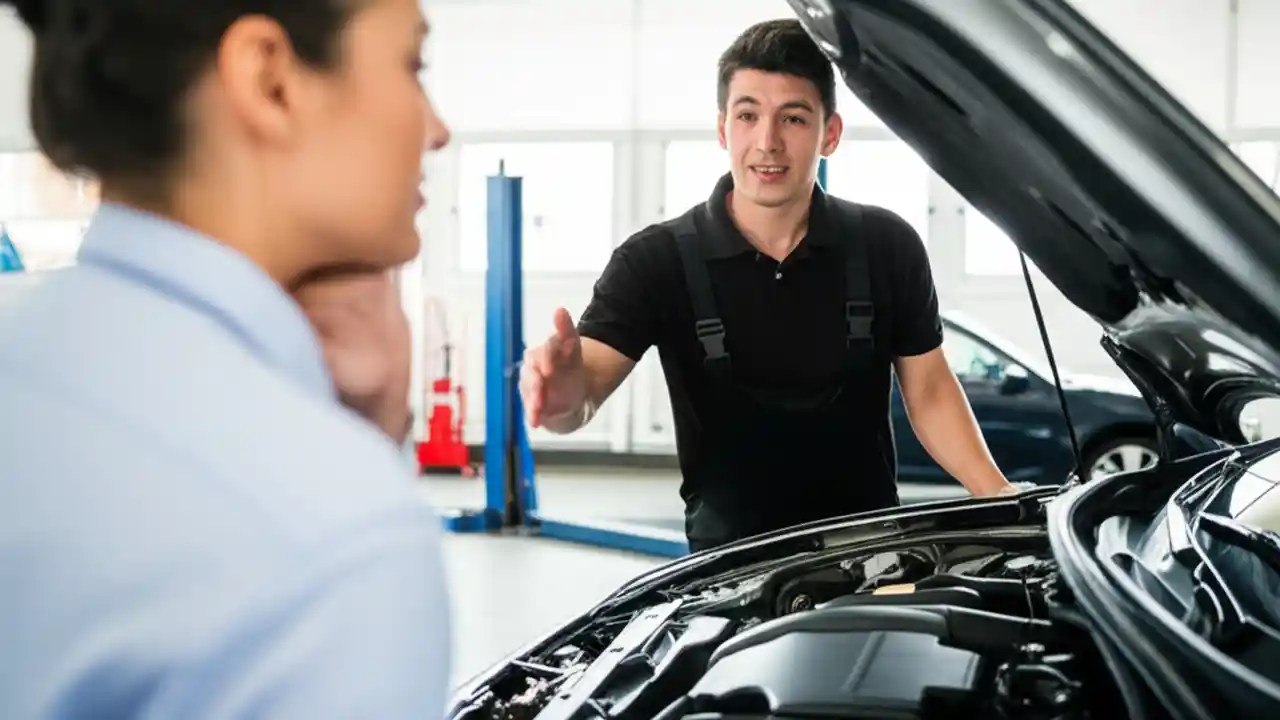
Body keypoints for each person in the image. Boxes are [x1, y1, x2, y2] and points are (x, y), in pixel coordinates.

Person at [0, 0, 454, 717]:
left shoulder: (28, 360)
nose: (438, 129)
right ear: (269, 79)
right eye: (412, 65)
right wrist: (344, 471)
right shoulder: (335, 544)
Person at [520, 19, 1017, 553]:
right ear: (723, 130)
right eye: (748, 115)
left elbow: (931, 392)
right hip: (728, 572)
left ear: (830, 134)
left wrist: (1000, 496)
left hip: (871, 558)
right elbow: (585, 389)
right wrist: (564, 399)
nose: (767, 142)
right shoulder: (654, 261)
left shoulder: (887, 245)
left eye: (793, 118)